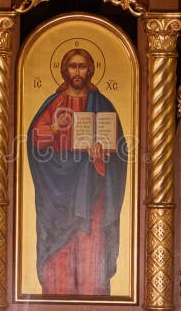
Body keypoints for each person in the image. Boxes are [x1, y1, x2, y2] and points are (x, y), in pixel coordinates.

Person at [27, 48, 127, 296]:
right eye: (73, 66)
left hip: (90, 191)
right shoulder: (54, 104)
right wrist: (54, 126)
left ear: (90, 70)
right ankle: (57, 302)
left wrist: (101, 155)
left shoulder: (103, 105)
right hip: (57, 194)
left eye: (83, 66)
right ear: (65, 70)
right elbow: (35, 143)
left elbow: (119, 153)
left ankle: (92, 303)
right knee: (60, 252)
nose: (78, 72)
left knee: (90, 245)